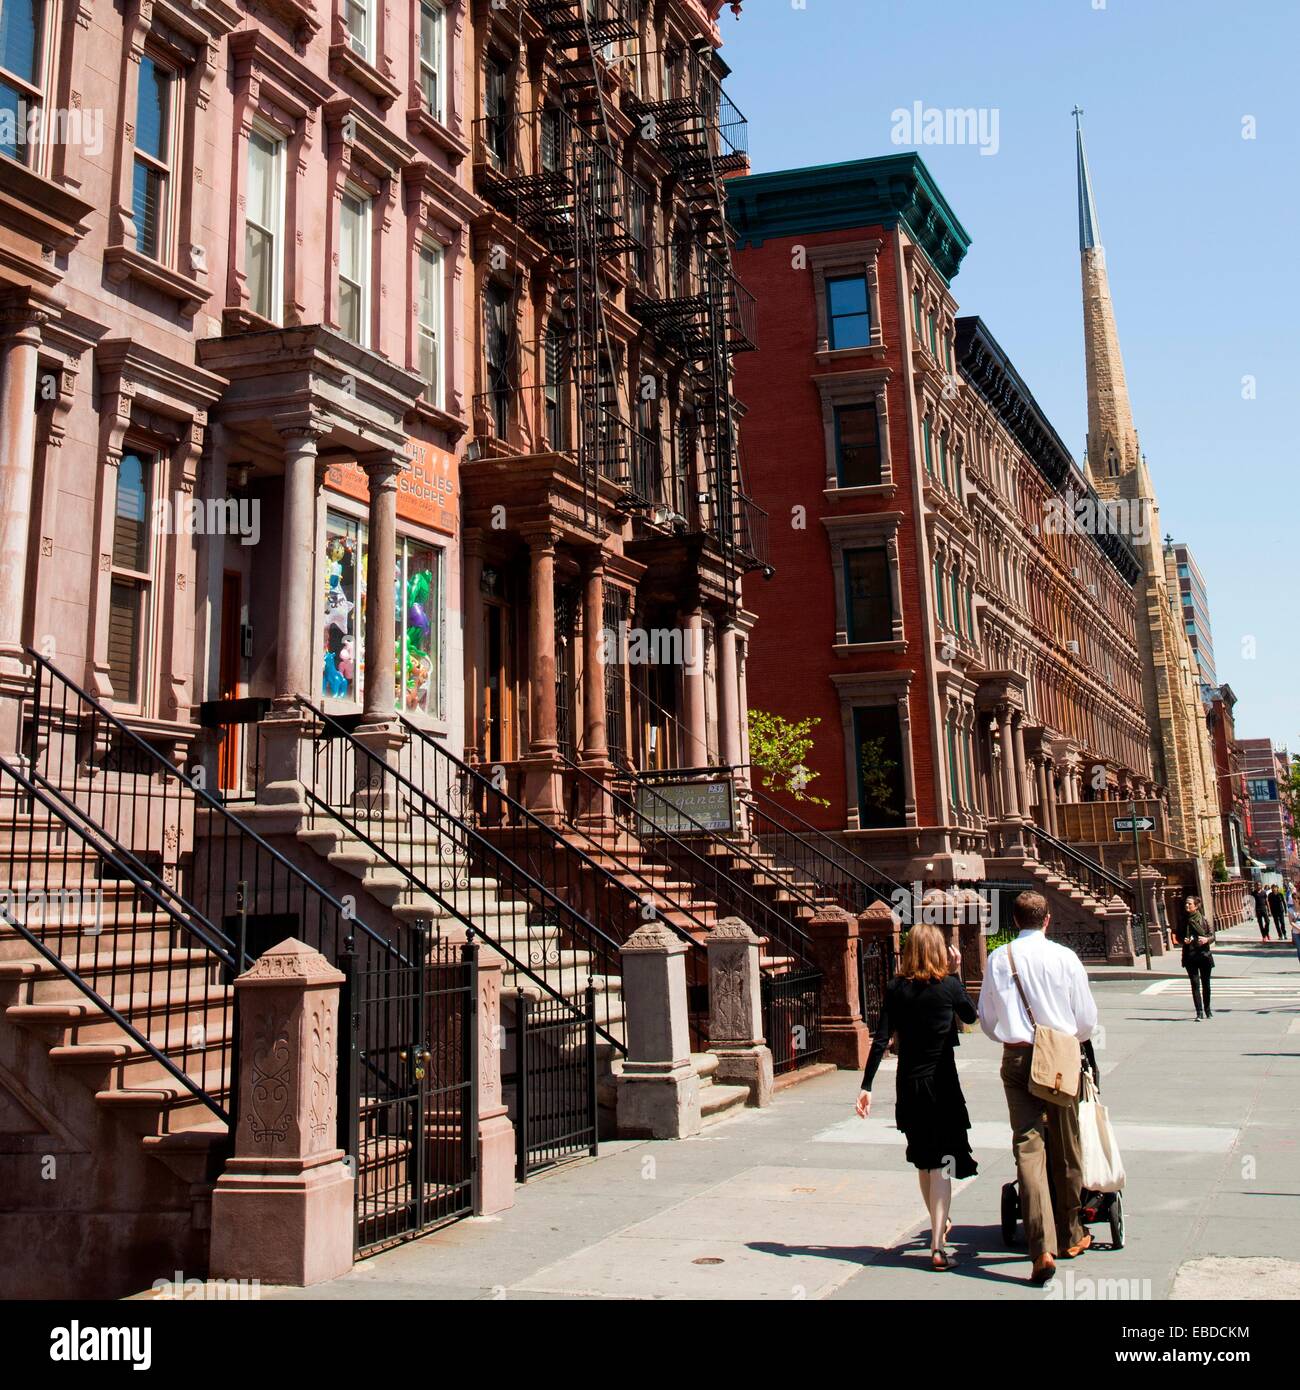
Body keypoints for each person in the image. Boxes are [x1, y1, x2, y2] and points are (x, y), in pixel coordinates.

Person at [978, 890, 1098, 1285]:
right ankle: (1071, 1235)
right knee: (1067, 1144)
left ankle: (1040, 1247)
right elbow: (1085, 1020)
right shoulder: (1065, 957)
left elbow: (987, 1020)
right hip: (1060, 1055)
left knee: (1028, 1148)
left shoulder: (999, 957)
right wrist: (1062, 1036)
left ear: (1014, 921)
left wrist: (1015, 1036)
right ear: (1048, 920)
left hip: (1015, 1056)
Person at [856, 923, 978, 1271]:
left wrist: (866, 1086)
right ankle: (938, 1245)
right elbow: (971, 1016)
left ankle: (939, 1226)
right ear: (941, 952)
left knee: (925, 1161)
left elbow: (880, 1039)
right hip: (942, 1084)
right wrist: (958, 974)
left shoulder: (896, 989)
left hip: (910, 1084)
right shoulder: (949, 986)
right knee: (941, 1164)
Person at [1178, 895, 1214, 1020]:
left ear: (1196, 906)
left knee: (1206, 984)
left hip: (1204, 955)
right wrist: (1184, 940)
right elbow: (1178, 937)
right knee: (1195, 984)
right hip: (1190, 956)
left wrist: (1206, 939)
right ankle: (1199, 1012)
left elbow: (1212, 935)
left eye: (1189, 904)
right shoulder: (1183, 920)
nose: (1187, 906)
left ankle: (1208, 1009)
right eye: (1186, 904)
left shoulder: (1203, 919)